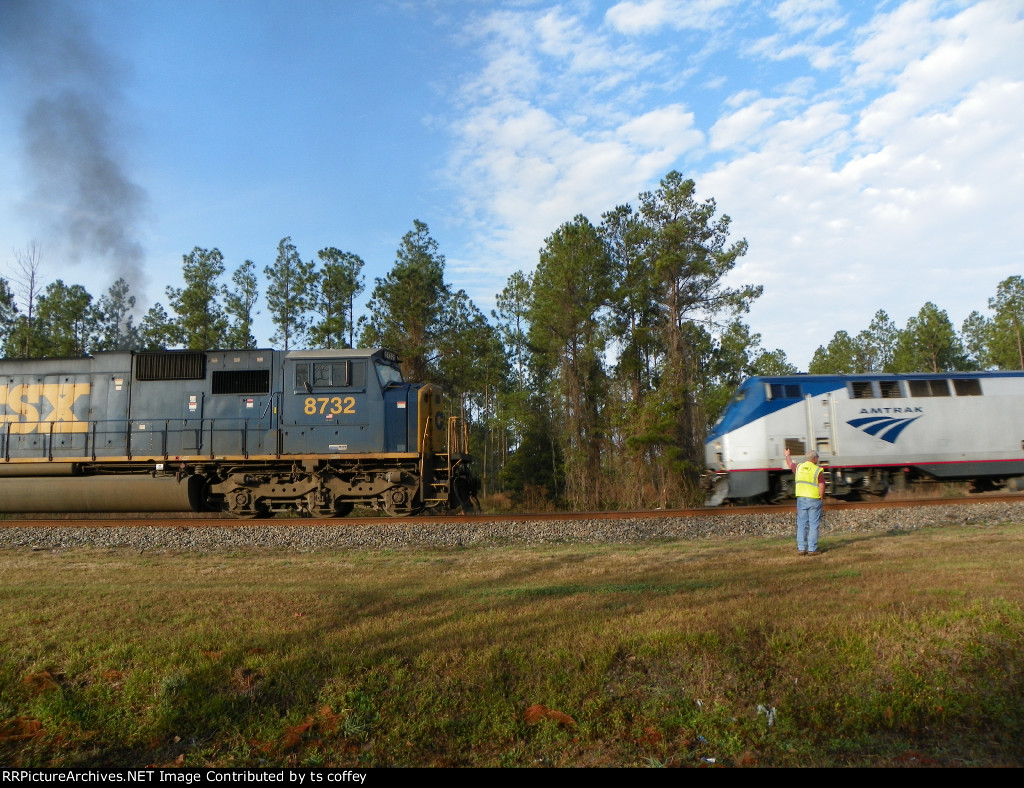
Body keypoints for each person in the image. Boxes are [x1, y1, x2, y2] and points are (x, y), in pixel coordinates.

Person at [783, 448, 826, 555]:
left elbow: (789, 463)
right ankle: (812, 549)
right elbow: (821, 486)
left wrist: (787, 455)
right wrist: (821, 497)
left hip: (801, 499)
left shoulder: (799, 467)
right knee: (813, 524)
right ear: (814, 458)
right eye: (817, 458)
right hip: (814, 499)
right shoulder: (817, 470)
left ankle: (801, 548)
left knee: (801, 524)